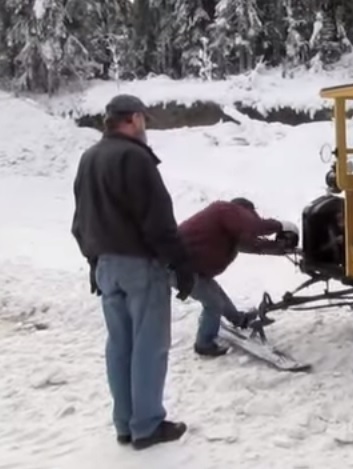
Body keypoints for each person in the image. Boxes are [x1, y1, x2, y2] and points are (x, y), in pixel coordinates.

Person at [71, 94, 193, 450]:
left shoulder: (89, 157)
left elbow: (81, 219)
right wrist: (181, 263)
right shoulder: (135, 158)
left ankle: (124, 424)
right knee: (149, 346)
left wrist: (93, 261)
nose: (146, 127)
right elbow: (157, 220)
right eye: (144, 120)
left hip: (105, 265)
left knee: (120, 344)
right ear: (135, 119)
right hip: (140, 264)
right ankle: (147, 425)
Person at [177, 197, 299, 357]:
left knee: (215, 292)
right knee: (213, 303)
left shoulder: (228, 228)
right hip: (179, 265)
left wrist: (280, 248)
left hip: (190, 266)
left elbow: (252, 245)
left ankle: (239, 319)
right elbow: (254, 227)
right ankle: (204, 344)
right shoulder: (225, 210)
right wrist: (281, 226)